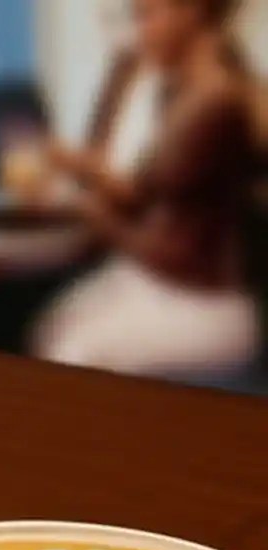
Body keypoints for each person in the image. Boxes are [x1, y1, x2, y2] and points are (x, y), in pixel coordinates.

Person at [33, 0, 260, 378]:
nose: (140, 33)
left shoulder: (216, 104)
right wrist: (80, 176)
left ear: (190, 12)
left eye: (148, 16)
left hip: (202, 302)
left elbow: (170, 248)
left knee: (73, 354)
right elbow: (143, 193)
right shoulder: (180, 94)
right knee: (54, 328)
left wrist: (84, 210)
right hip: (164, 283)